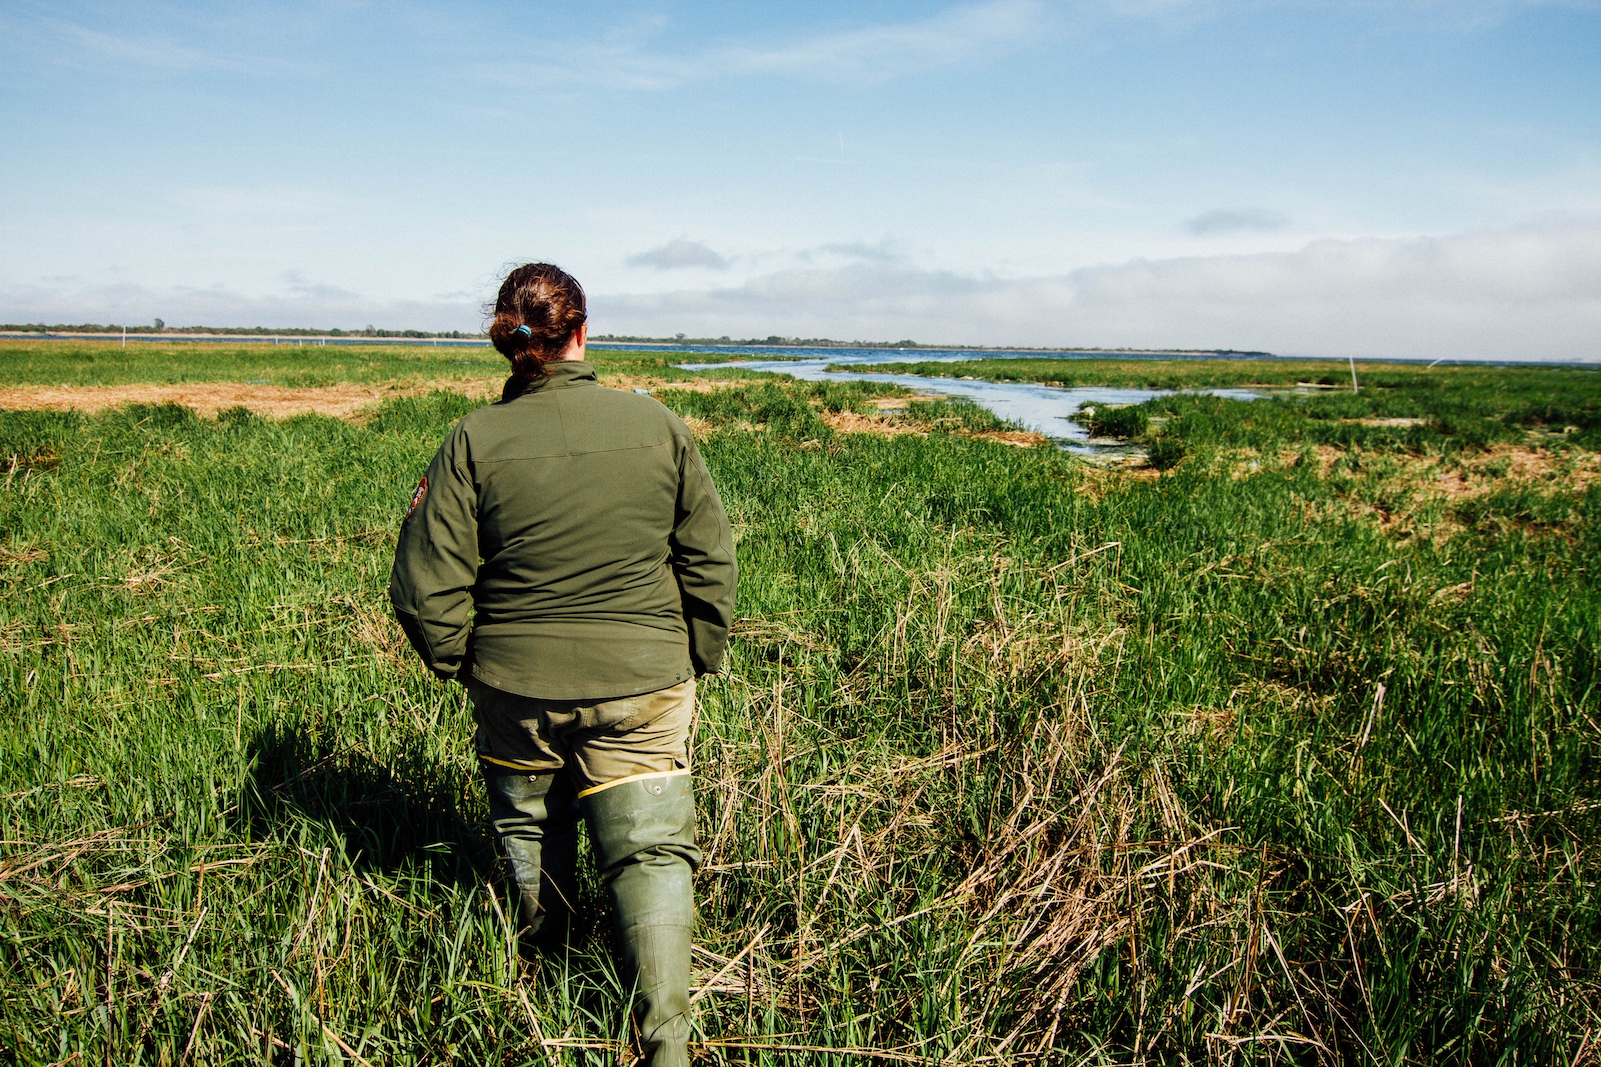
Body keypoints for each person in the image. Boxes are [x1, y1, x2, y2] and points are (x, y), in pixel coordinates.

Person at [389, 262, 737, 1067]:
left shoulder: (474, 436)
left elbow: (421, 584)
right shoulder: (657, 425)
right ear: (582, 330)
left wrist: (461, 662)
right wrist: (697, 654)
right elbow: (710, 560)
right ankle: (667, 1046)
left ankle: (542, 981)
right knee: (649, 856)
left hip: (516, 690)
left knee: (529, 830)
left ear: (510, 341)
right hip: (647, 685)